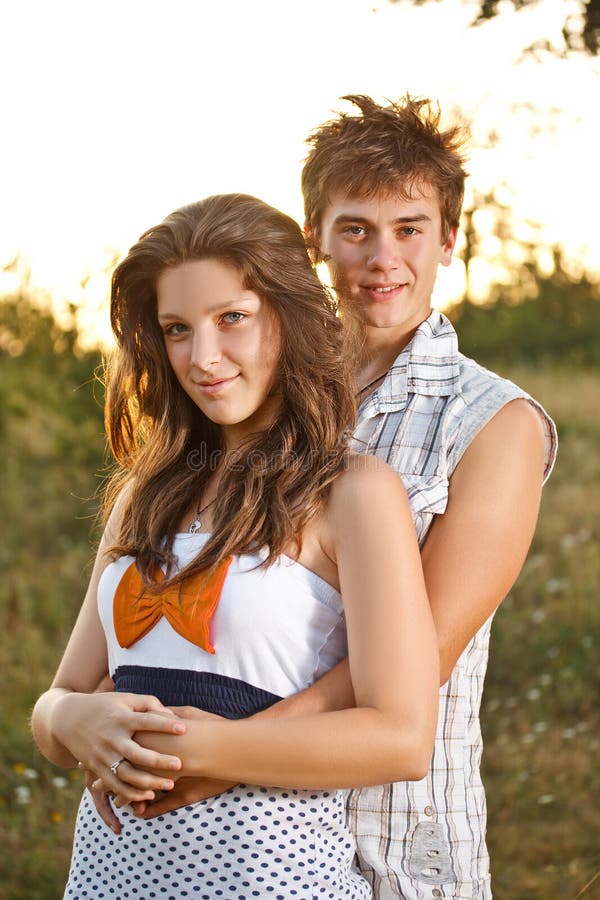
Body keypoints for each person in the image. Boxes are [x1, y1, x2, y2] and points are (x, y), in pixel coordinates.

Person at [104, 97, 557, 899]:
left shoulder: (494, 425)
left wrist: (205, 760)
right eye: (356, 229)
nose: (383, 258)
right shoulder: (253, 392)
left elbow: (421, 657)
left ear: (450, 238)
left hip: (395, 831)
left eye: (410, 228)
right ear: (314, 237)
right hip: (237, 843)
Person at [31, 193, 440, 899]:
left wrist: (203, 749)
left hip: (265, 874)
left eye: (233, 320)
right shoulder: (144, 494)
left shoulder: (353, 492)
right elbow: (59, 702)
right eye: (177, 329)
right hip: (109, 871)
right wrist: (71, 718)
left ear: (288, 315)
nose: (204, 357)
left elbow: (400, 737)